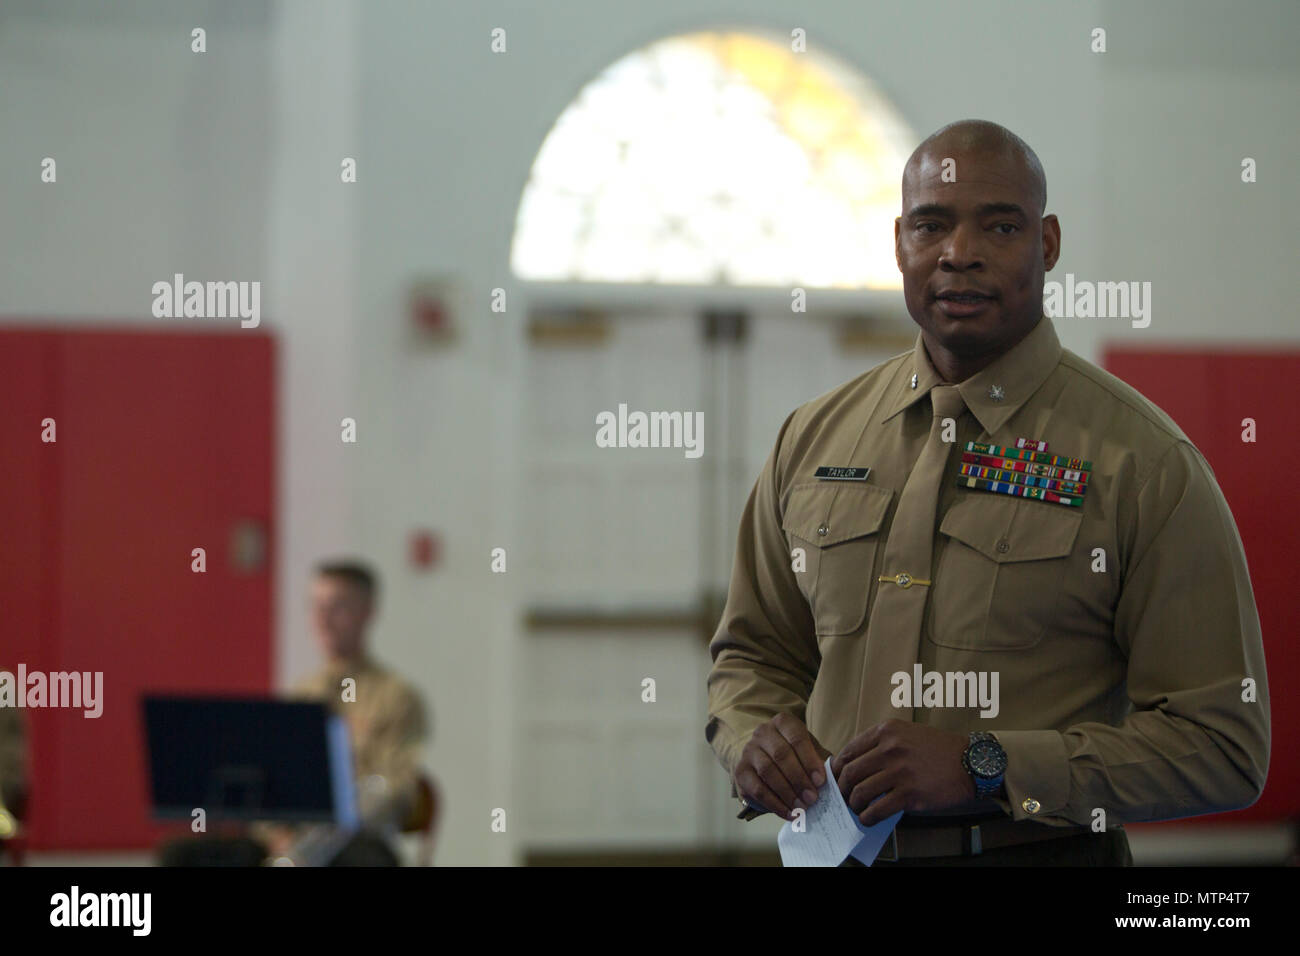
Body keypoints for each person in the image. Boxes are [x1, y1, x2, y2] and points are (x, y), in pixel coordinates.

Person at [705, 120, 1270, 866]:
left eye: (999, 225)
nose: (958, 252)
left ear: (1048, 245)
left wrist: (987, 765)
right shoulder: (812, 442)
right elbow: (752, 656)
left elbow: (1223, 745)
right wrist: (753, 737)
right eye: (930, 225)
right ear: (900, 244)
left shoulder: (1143, 463)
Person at [260, 560, 430, 866]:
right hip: (296, 838)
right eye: (316, 607)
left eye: (337, 607)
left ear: (367, 613)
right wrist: (278, 834)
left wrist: (337, 818)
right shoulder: (302, 694)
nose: (322, 619)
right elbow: (274, 777)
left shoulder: (396, 696)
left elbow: (398, 785)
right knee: (194, 854)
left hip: (357, 839)